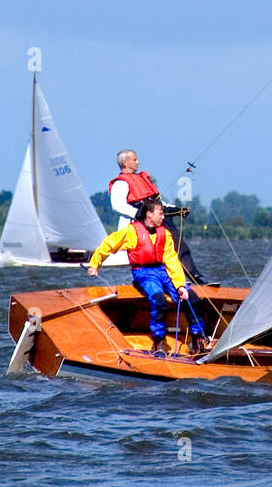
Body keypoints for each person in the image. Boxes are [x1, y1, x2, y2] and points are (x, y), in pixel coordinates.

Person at [87, 201, 208, 356]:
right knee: (159, 301)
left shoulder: (165, 234)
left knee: (192, 299)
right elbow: (109, 244)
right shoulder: (131, 232)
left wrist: (180, 286)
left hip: (163, 272)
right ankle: (158, 343)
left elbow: (172, 261)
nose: (163, 217)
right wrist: (94, 264)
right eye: (160, 213)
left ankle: (197, 340)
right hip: (144, 274)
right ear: (149, 214)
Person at [108, 149, 207, 284]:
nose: (138, 162)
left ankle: (195, 277)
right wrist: (139, 214)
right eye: (135, 159)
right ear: (125, 162)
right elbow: (118, 205)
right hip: (139, 224)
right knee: (152, 252)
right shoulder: (121, 183)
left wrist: (177, 210)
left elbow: (159, 203)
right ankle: (156, 280)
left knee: (177, 243)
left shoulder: (143, 179)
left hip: (158, 219)